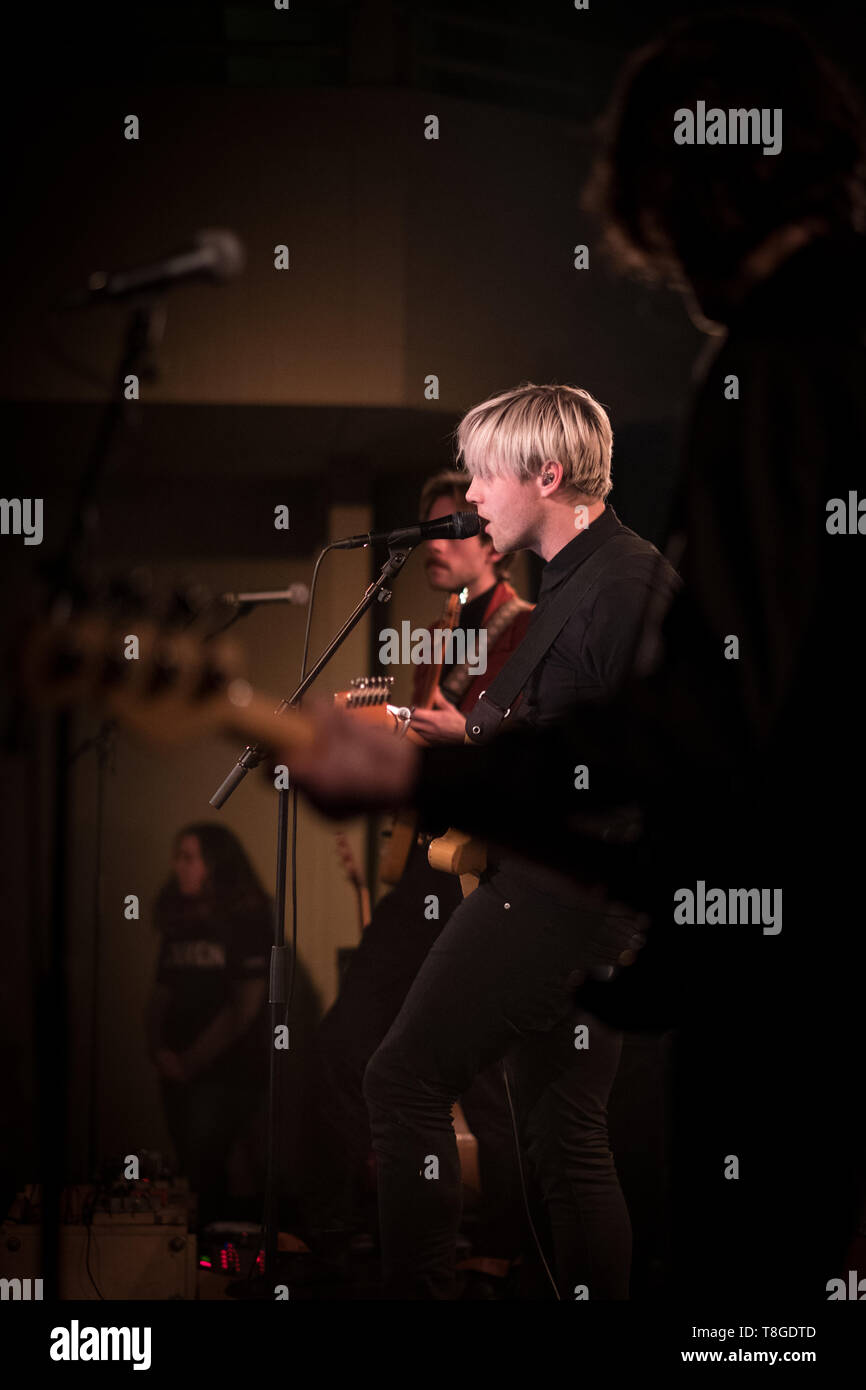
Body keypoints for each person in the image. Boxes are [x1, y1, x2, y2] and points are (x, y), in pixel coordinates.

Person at [284, 14, 866, 1300]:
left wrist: (426, 775)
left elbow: (692, 728)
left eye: (654, 215)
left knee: (435, 1090)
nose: (656, 257)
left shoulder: (780, 361)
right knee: (573, 1135)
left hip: (704, 924)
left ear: (708, 178)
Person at [309, 383, 679, 1299]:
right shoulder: (582, 576)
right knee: (566, 1138)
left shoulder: (626, 584)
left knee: (398, 1079)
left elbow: (648, 764)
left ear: (548, 475)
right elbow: (570, 743)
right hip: (573, 898)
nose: (469, 498)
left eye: (482, 476)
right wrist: (468, 743)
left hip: (563, 900)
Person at [304, 467, 536, 1288]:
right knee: (348, 1047)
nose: (434, 544)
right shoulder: (443, 632)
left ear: (488, 541)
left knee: (478, 1073)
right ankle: (349, 1230)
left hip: (476, 873)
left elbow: (523, 759)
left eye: (450, 528)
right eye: (427, 530)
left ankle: (508, 1243)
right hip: (425, 869)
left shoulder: (522, 628)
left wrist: (444, 736)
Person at [145, 823, 272, 1230]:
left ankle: (227, 1267)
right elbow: (159, 994)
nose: (177, 866)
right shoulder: (180, 918)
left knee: (220, 1166)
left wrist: (191, 1062)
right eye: (177, 856)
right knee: (191, 1169)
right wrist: (160, 1051)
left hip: (225, 1072)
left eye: (189, 857)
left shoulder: (248, 916)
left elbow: (246, 1005)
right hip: (177, 1071)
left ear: (215, 864)